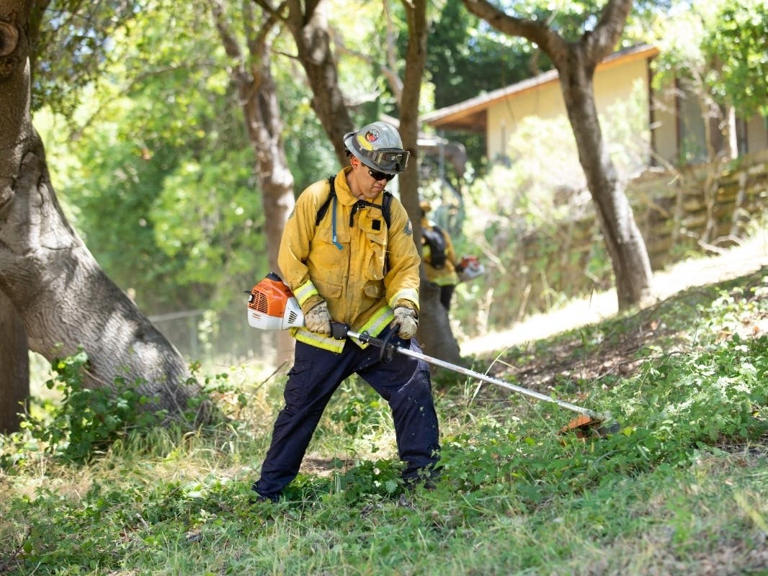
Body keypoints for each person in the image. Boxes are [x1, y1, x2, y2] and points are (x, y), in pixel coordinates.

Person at [252, 121, 441, 502]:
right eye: (375, 173)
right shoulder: (317, 199)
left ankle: (423, 478)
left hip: (373, 327)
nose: (381, 182)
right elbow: (290, 258)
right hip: (323, 334)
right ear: (354, 161)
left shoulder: (391, 211)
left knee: (414, 378)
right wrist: (311, 304)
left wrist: (405, 307)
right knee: (299, 410)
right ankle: (268, 494)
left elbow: (404, 266)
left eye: (387, 176)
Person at [420, 201, 462, 312]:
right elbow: (451, 254)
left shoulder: (414, 233)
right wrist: (457, 267)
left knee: (432, 315)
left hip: (431, 280)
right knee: (443, 313)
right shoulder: (438, 231)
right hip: (449, 277)